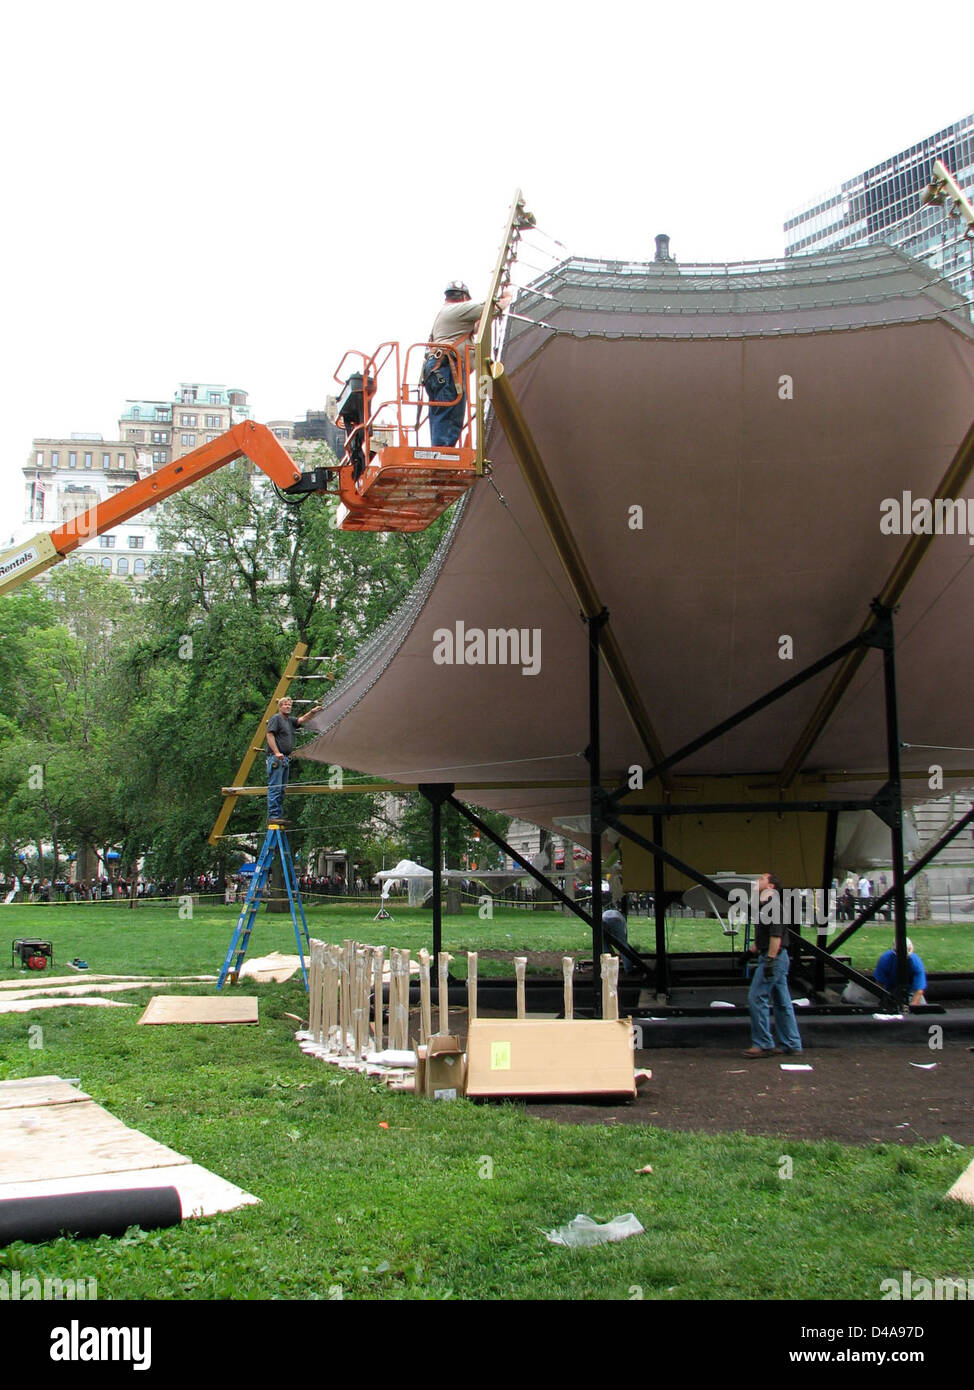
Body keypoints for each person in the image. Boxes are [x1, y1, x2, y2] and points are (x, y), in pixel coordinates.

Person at [423, 280, 511, 447]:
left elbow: (477, 326)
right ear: (464, 297)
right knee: (450, 415)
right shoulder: (460, 309)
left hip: (437, 369)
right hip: (448, 369)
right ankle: (444, 454)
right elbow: (493, 308)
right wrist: (506, 297)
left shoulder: (448, 313)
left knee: (441, 415)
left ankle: (441, 452)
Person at [745, 871, 804, 1057]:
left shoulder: (772, 907)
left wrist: (769, 960)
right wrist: (751, 952)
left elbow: (776, 936)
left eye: (761, 879)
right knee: (782, 1001)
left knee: (756, 997)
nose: (757, 881)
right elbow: (766, 936)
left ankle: (763, 1043)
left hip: (774, 957)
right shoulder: (764, 907)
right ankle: (791, 1044)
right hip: (776, 956)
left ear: (770, 887)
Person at [265, 696, 322, 823]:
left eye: (289, 705)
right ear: (280, 707)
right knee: (275, 786)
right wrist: (277, 752)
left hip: (285, 758)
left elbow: (301, 720)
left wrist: (313, 712)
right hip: (276, 758)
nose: (288, 706)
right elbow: (269, 735)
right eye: (285, 704)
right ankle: (273, 816)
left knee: (281, 788)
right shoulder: (276, 718)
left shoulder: (289, 720)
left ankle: (277, 815)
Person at [874, 938, 927, 1005]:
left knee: (923, 1010)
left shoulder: (916, 963)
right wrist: (884, 1001)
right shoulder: (885, 959)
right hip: (889, 990)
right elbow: (879, 984)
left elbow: (918, 991)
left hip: (911, 992)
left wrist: (912, 1007)